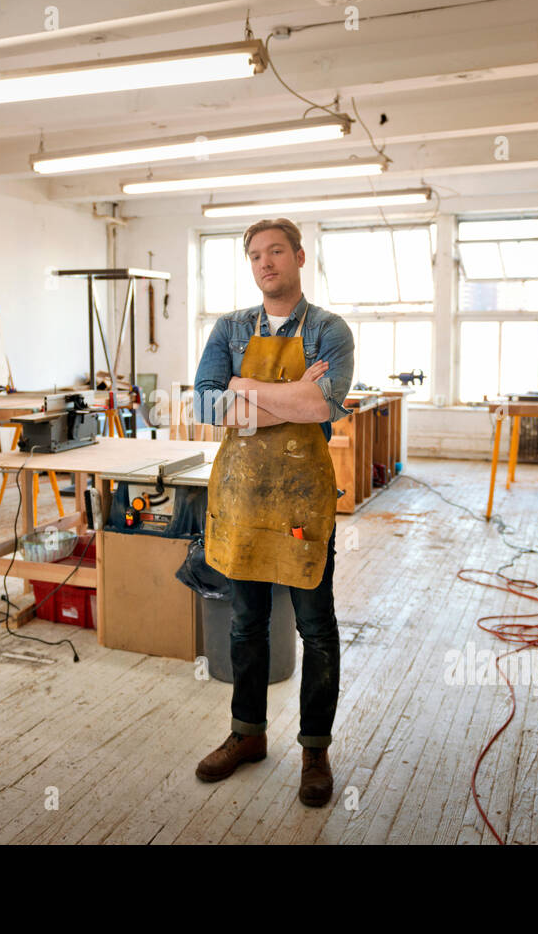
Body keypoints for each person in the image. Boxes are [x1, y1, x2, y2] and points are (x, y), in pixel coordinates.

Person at [191, 217, 354, 807]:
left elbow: (322, 404)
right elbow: (208, 404)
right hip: (241, 497)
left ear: (299, 257)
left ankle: (315, 748)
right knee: (245, 624)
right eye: (256, 255)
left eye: (277, 251)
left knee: (316, 627)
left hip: (302, 501)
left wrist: (245, 385)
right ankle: (247, 735)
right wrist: (287, 396)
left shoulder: (330, 330)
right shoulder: (230, 327)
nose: (266, 263)